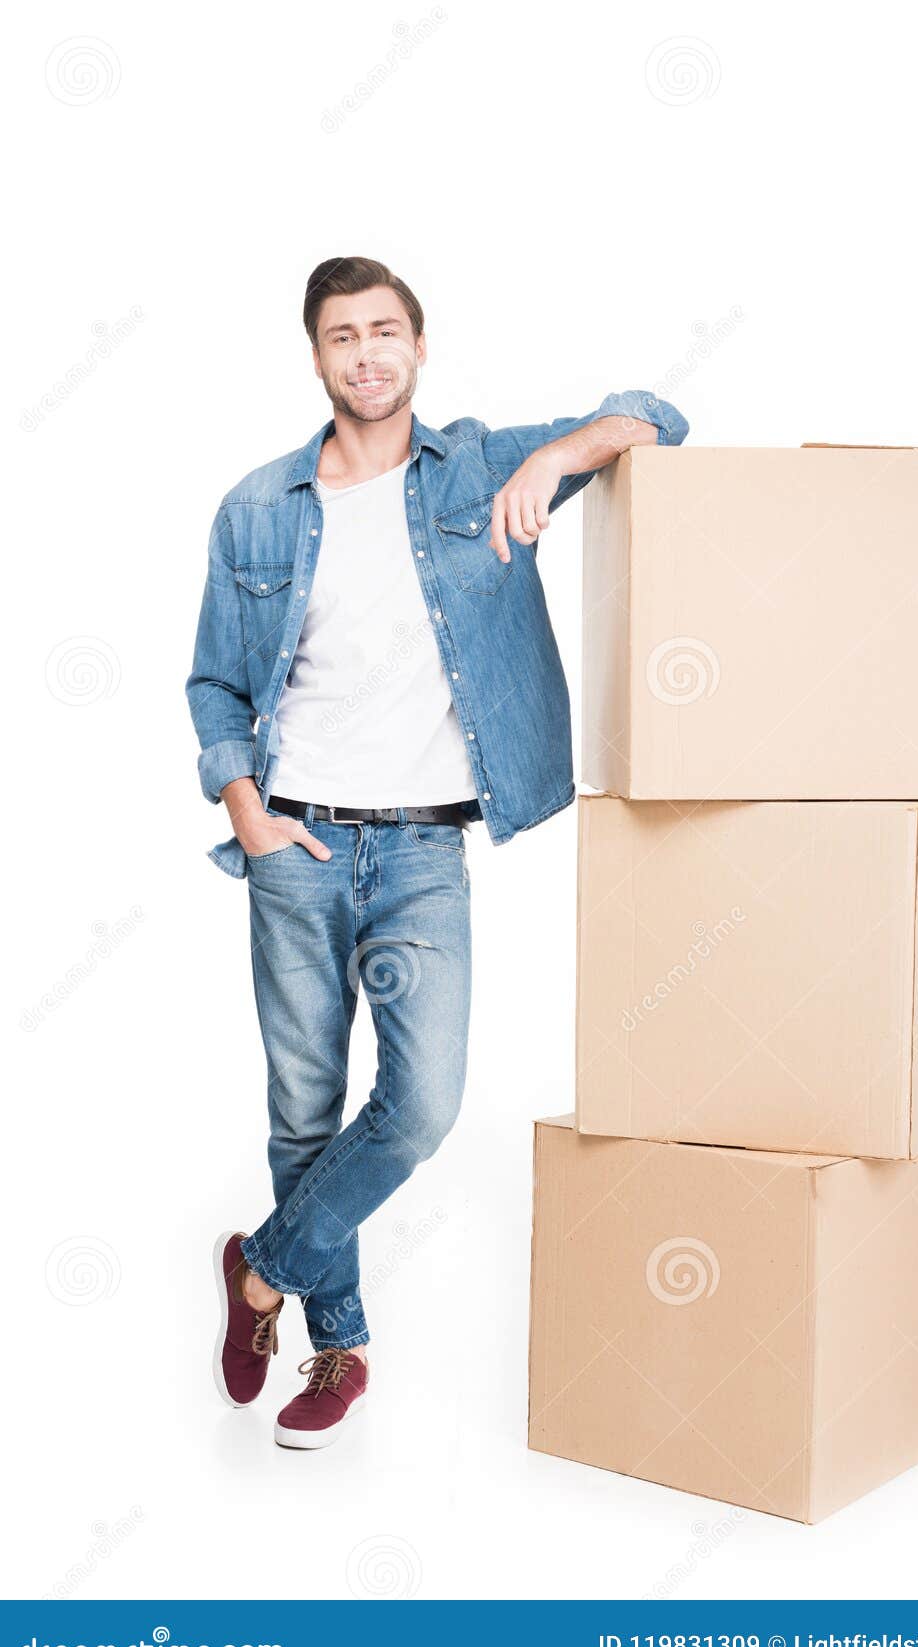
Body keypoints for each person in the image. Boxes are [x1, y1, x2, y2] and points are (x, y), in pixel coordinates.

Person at [186, 255, 689, 1448]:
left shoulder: (480, 464)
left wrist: (560, 458)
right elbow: (212, 680)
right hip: (294, 841)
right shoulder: (258, 506)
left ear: (420, 346)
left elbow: (658, 417)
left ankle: (257, 1272)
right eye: (342, 336)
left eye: (385, 331)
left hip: (422, 852)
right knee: (303, 1106)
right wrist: (247, 810)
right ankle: (339, 1343)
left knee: (418, 1106)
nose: (366, 353)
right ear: (315, 358)